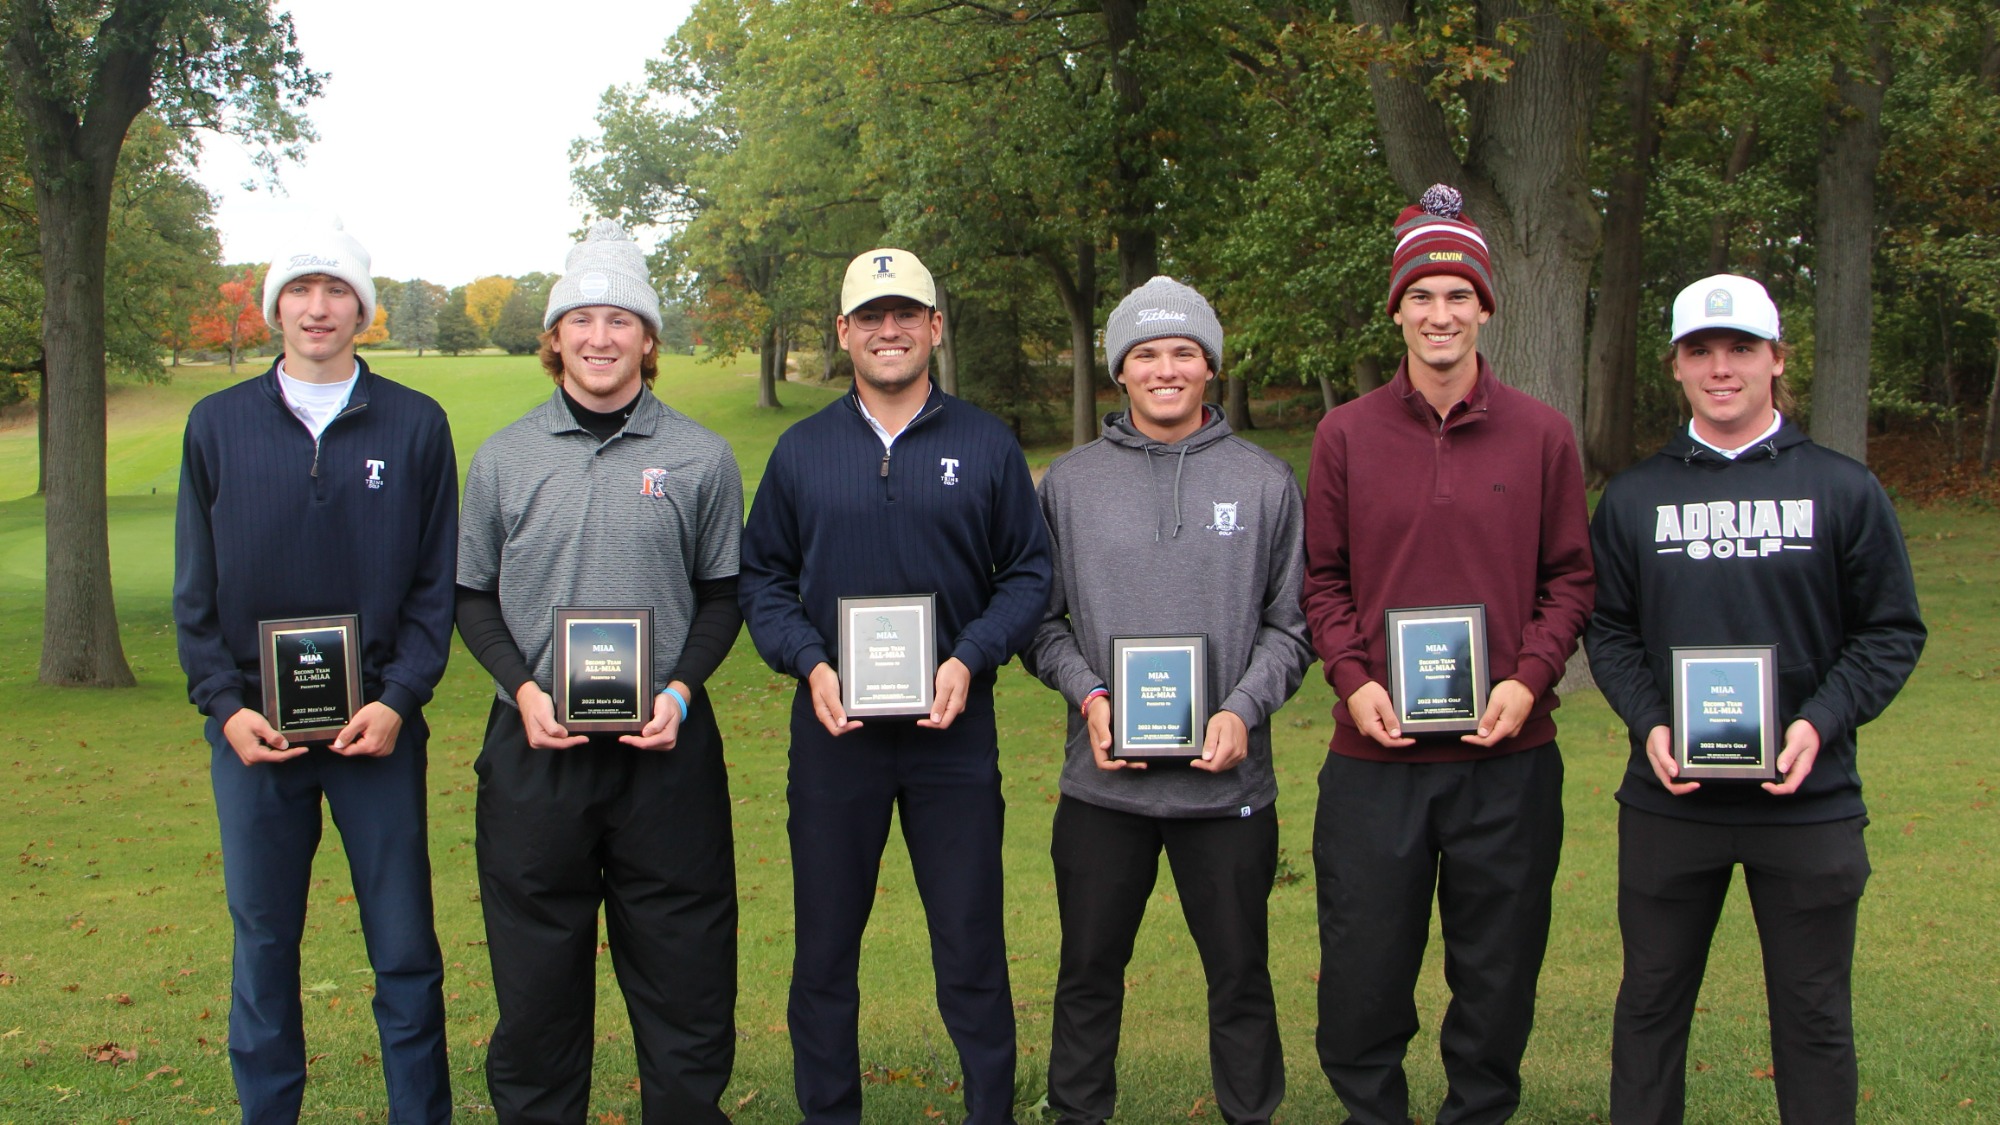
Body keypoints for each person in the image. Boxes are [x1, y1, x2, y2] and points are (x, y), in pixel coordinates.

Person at [1585, 274, 1925, 1124]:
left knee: (1814, 1017)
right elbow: (1610, 631)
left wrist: (1820, 721)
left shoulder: (1842, 488)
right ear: (1675, 365)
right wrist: (1650, 722)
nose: (1721, 368)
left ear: (1777, 359)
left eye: (1741, 348)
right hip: (1671, 802)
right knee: (1650, 1007)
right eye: (1700, 350)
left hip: (1808, 800)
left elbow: (1889, 630)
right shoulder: (1633, 498)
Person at [1299, 184, 1595, 1125]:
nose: (1440, 313)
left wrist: (1529, 680)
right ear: (1397, 309)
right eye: (1421, 295)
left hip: (1506, 758)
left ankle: (1479, 1111)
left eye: (1459, 294)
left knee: (1497, 975)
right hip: (1374, 756)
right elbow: (1323, 581)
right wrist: (1353, 681)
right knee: (1362, 973)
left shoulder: (1543, 434)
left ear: (1485, 307)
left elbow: (1570, 579)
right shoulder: (1345, 434)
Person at [738, 247, 1051, 1125]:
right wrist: (809, 661)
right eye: (871, 316)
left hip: (953, 733)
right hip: (835, 735)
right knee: (825, 952)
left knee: (971, 945)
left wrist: (969, 656)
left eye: (906, 313)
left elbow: (1029, 573)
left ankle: (990, 1112)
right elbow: (762, 580)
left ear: (934, 327)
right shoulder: (801, 453)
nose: (889, 330)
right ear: (844, 332)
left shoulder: (984, 443)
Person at [456, 221, 744, 1123]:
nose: (600, 336)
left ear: (648, 339)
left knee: (686, 980)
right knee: (537, 989)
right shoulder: (505, 456)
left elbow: (723, 595)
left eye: (620, 319)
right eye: (581, 318)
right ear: (555, 337)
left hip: (666, 752)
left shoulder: (700, 456)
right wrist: (524, 690)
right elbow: (471, 597)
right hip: (537, 751)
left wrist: (680, 690)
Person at [174, 220, 456, 1124]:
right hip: (255, 738)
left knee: (403, 949)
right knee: (263, 947)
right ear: (275, 309)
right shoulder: (217, 425)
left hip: (378, 732)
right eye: (300, 289)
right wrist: (225, 707)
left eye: (337, 290)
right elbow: (194, 594)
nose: (318, 307)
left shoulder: (415, 423)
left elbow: (434, 589)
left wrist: (399, 698)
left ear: (362, 309)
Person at [1024, 276, 1314, 1125]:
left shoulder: (1264, 482)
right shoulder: (1068, 485)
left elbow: (1291, 626)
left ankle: (1250, 1113)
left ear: (1210, 365)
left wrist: (1242, 709)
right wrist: (1090, 695)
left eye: (1184, 351)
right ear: (1120, 370)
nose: (1165, 369)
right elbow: (1039, 623)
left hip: (1226, 789)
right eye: (1146, 353)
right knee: (1087, 973)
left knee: (1241, 977)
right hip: (1103, 786)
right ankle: (1078, 1112)